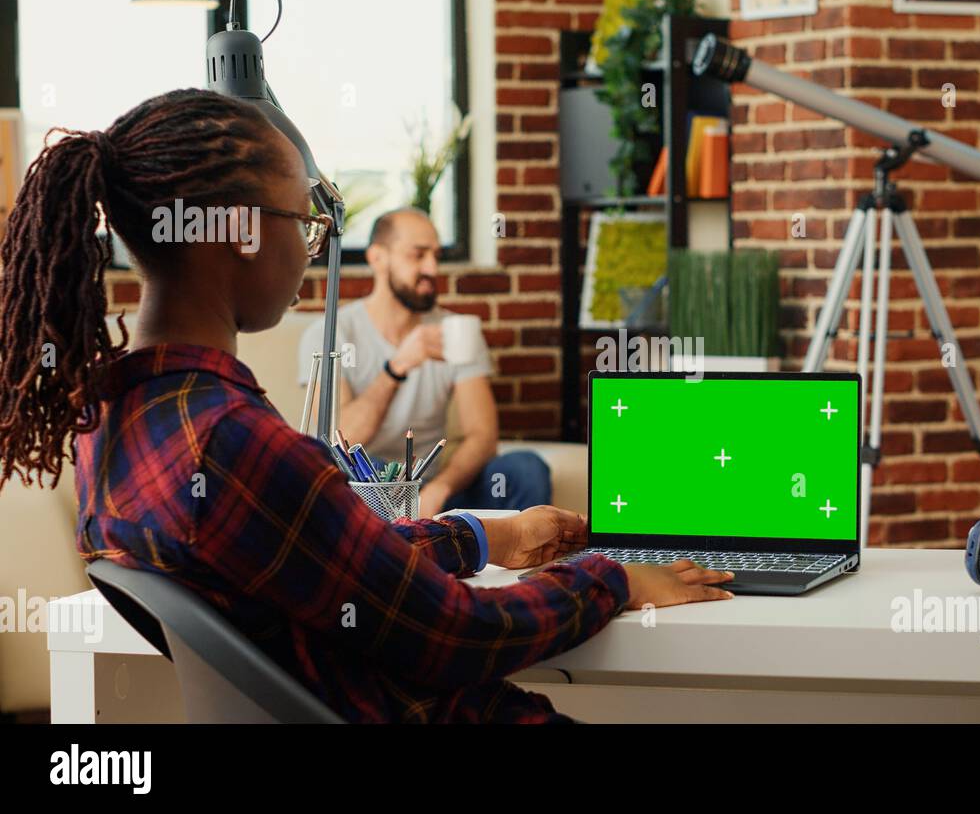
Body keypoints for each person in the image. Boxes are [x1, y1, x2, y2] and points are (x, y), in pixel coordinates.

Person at [0, 89, 733, 723]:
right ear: (242, 233)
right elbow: (456, 634)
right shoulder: (232, 442)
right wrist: (614, 579)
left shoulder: (108, 418)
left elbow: (322, 564)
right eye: (303, 223)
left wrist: (485, 536)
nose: (313, 250)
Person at [298, 208, 542, 518]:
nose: (432, 268)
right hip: (368, 488)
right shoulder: (331, 333)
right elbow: (342, 441)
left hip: (436, 492)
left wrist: (440, 489)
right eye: (418, 255)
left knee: (526, 469)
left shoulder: (455, 331)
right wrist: (397, 367)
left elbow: (483, 436)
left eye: (436, 256)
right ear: (377, 258)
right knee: (358, 471)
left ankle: (492, 546)